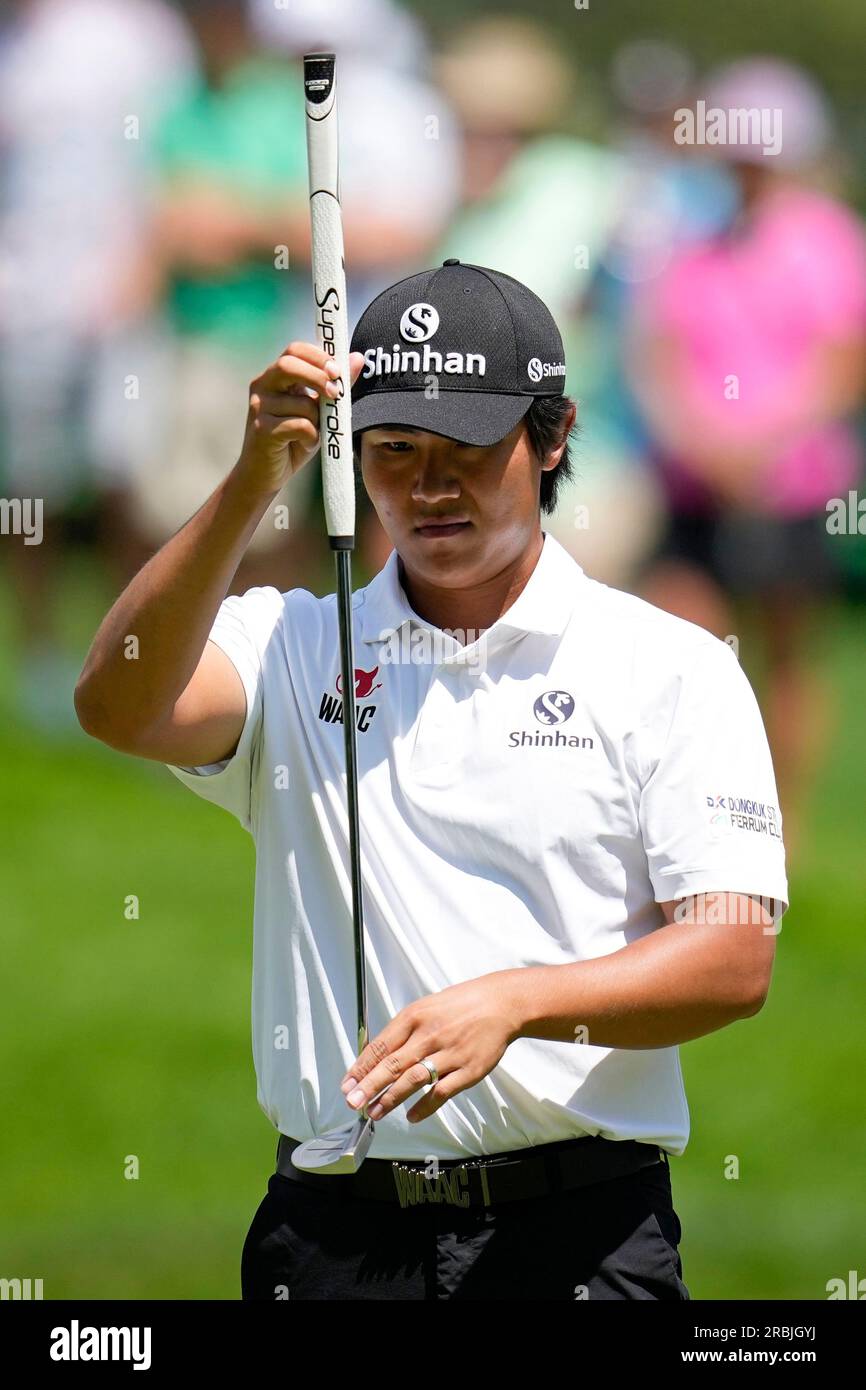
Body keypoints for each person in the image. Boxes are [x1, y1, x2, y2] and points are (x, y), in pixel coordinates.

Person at [74, 260, 788, 1301]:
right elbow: (118, 705)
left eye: (466, 448)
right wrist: (247, 484)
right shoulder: (292, 641)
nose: (428, 484)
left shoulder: (669, 665)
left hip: (579, 1242)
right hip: (331, 1239)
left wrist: (516, 1004)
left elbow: (730, 957)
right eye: (393, 449)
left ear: (550, 439)